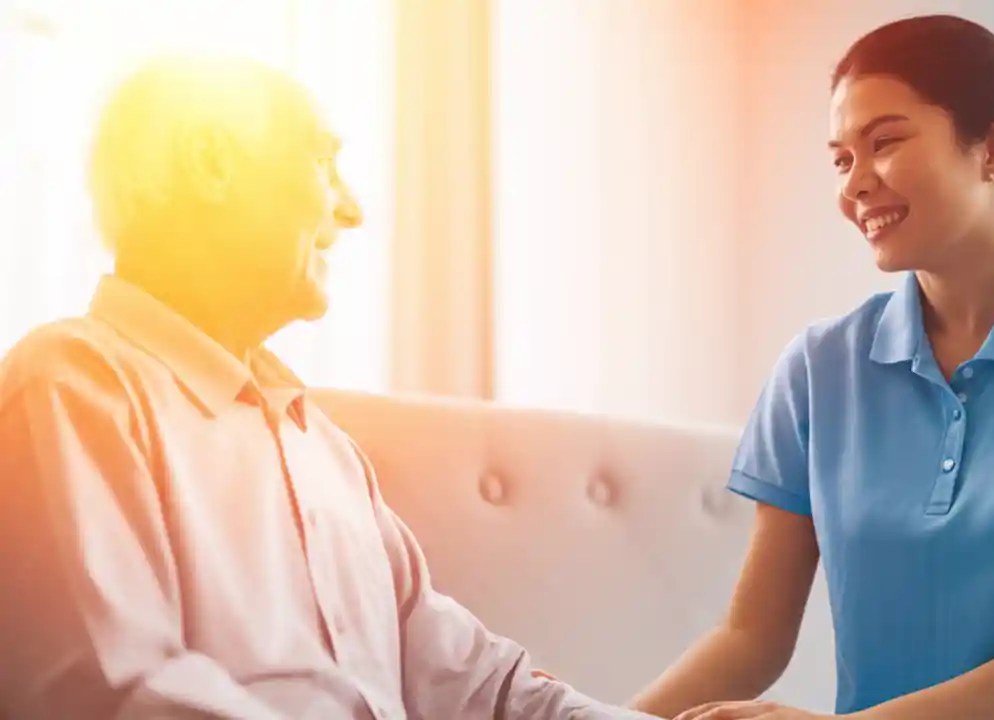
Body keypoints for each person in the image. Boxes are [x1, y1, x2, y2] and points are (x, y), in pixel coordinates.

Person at [0, 54, 651, 720]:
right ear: (211, 162)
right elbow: (121, 693)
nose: (352, 209)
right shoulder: (72, 384)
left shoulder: (324, 448)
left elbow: (480, 689)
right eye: (323, 162)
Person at [630, 14, 994, 720]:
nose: (856, 185)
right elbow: (752, 638)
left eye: (886, 143)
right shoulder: (817, 369)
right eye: (841, 159)